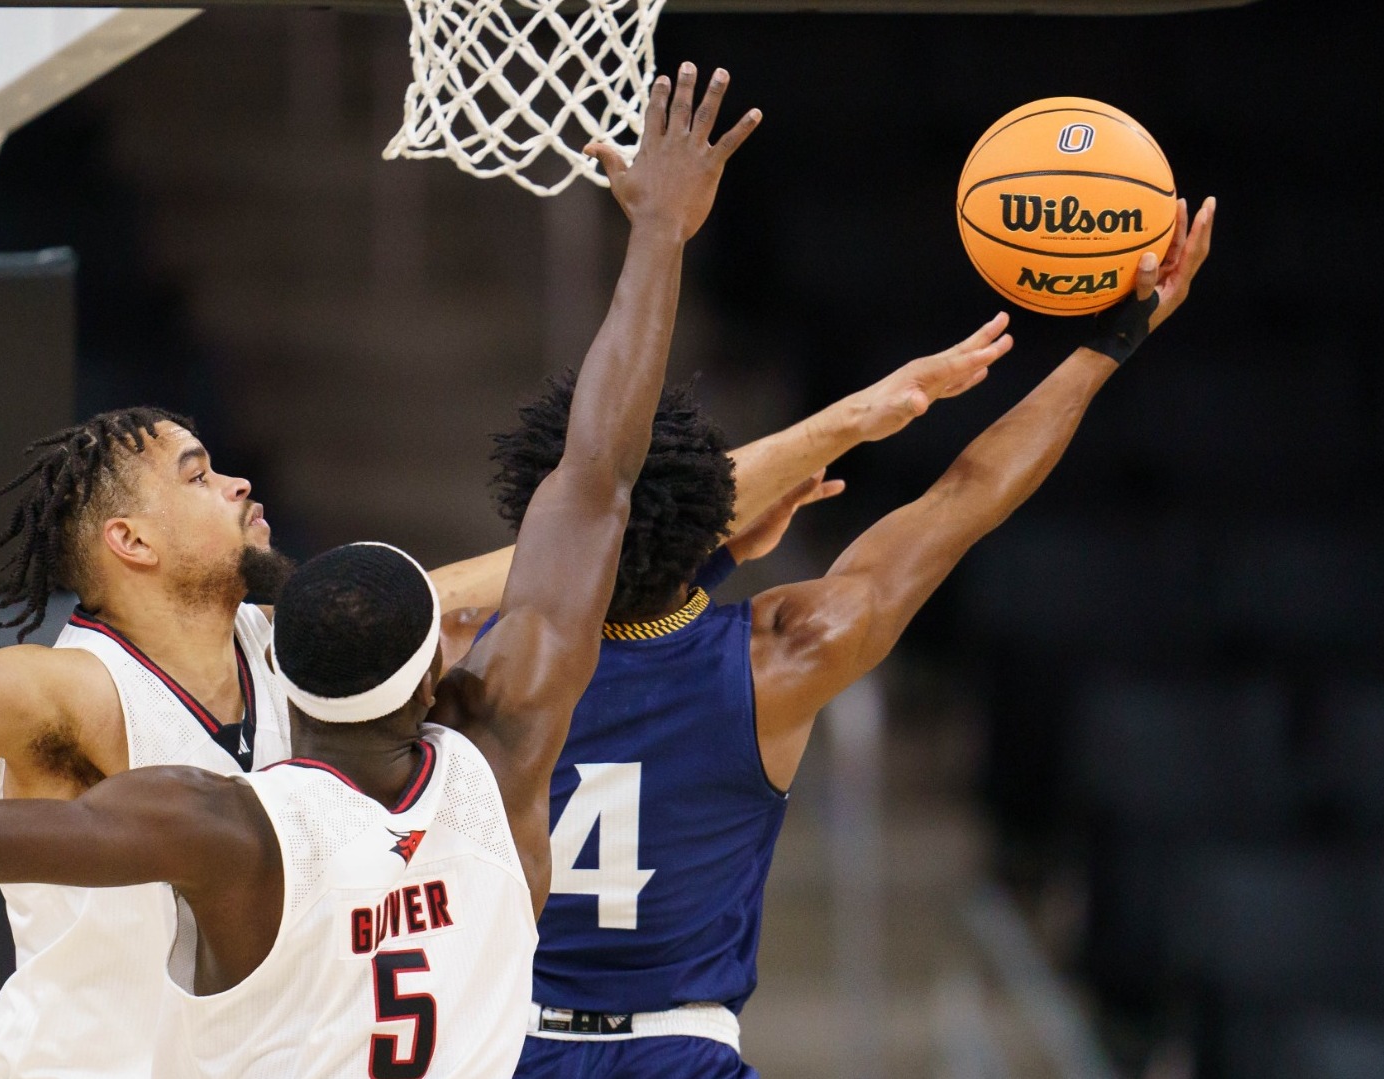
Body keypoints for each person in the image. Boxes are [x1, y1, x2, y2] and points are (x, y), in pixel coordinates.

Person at [0, 64, 759, 1078]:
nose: (239, 481)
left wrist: (780, 457)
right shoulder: (77, 693)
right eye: (199, 470)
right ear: (130, 542)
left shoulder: (283, 664)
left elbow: (555, 531)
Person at [476, 197, 1216, 1079]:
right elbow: (964, 496)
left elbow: (560, 559)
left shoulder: (469, 663)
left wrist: (706, 555)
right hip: (678, 1050)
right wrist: (1111, 342)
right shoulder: (784, 650)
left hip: (505, 1047)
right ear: (706, 515)